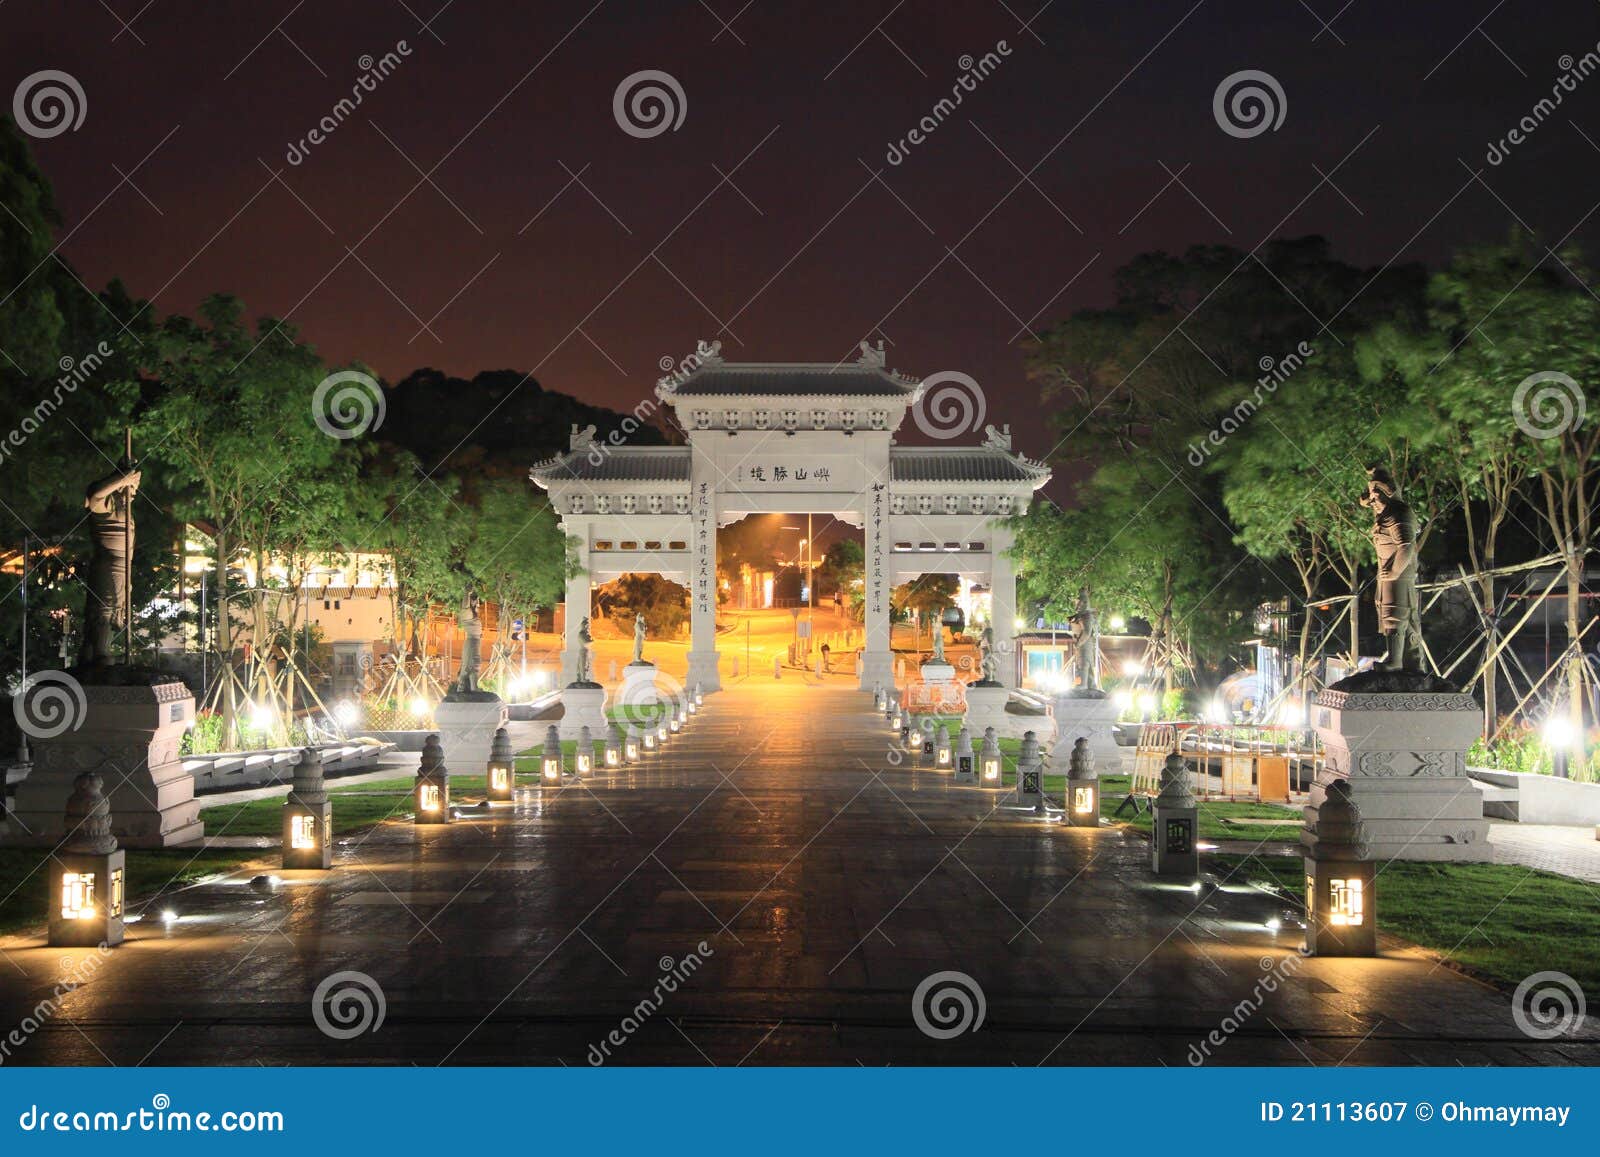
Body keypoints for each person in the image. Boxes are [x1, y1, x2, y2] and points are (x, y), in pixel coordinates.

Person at [1359, 466, 1422, 672]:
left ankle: (1397, 662)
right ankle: (1406, 662)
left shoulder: (1399, 513)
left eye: (1376, 498)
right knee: (1391, 616)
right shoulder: (1384, 514)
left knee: (1396, 614)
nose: (1374, 503)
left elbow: (1406, 545)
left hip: (1398, 575)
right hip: (1386, 573)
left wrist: (1395, 572)